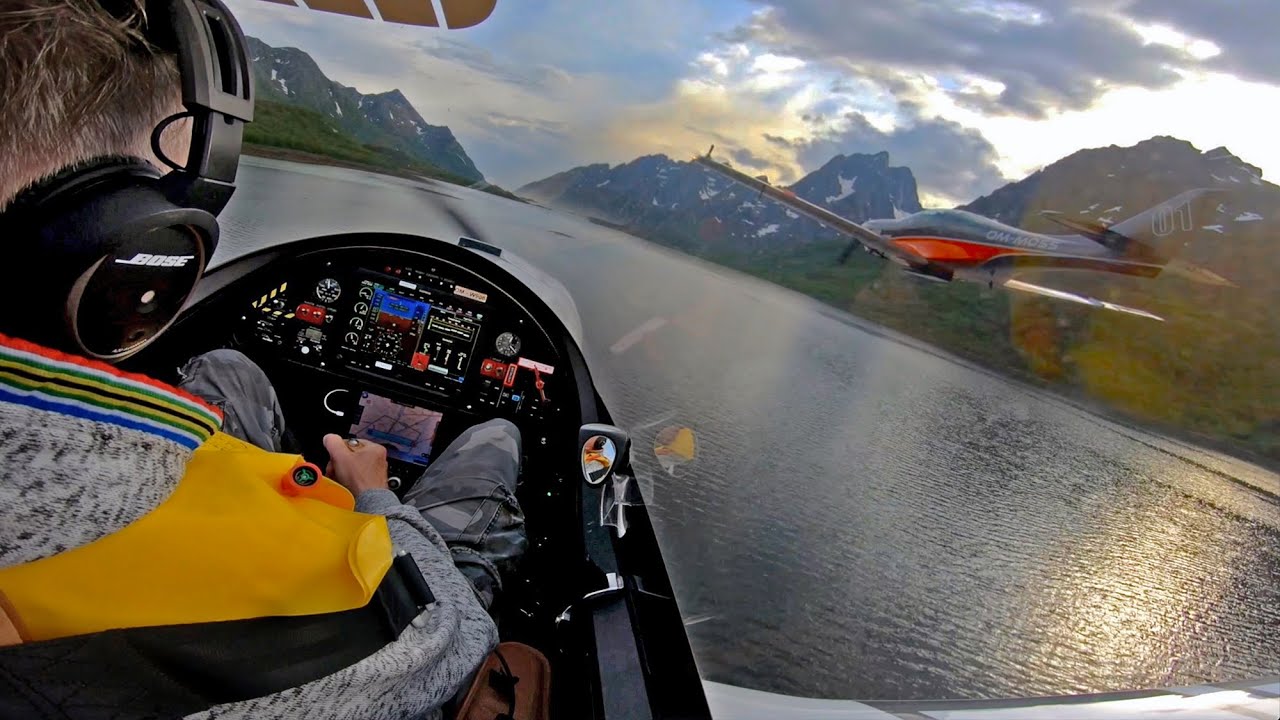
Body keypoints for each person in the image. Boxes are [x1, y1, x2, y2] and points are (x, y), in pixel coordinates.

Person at [0, 2, 525, 718]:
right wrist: (375, 496)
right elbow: (453, 637)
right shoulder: (346, 633)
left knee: (229, 367)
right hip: (354, 601)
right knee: (495, 439)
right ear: (137, 251)